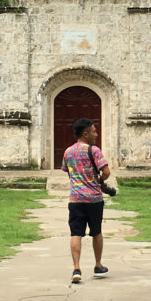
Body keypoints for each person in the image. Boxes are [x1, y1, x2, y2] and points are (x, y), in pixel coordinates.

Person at [61, 117, 111, 284]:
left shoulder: (68, 152)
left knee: (76, 233)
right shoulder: (94, 150)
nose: (96, 134)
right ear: (85, 133)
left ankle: (76, 268)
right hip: (94, 199)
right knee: (96, 231)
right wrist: (100, 181)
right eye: (94, 131)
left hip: (75, 199)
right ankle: (98, 265)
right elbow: (107, 171)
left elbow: (68, 172)